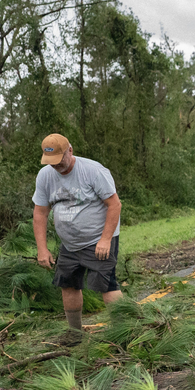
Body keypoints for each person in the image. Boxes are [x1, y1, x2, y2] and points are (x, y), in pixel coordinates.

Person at [32, 134, 122, 338]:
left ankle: (124, 331)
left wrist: (105, 239)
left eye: (59, 160)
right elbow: (40, 212)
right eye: (51, 162)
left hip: (98, 240)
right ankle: (75, 334)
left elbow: (114, 205)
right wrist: (42, 249)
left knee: (106, 285)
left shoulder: (93, 171)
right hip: (69, 244)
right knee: (68, 285)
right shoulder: (45, 175)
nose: (56, 166)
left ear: (70, 151)